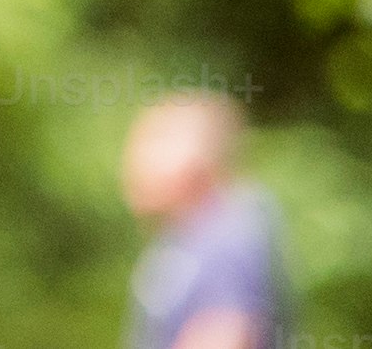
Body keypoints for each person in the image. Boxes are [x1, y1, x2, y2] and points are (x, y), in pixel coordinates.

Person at [122, 90, 287, 349]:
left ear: (198, 157)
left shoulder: (225, 237)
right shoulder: (190, 236)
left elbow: (224, 335)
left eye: (154, 144)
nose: (134, 160)